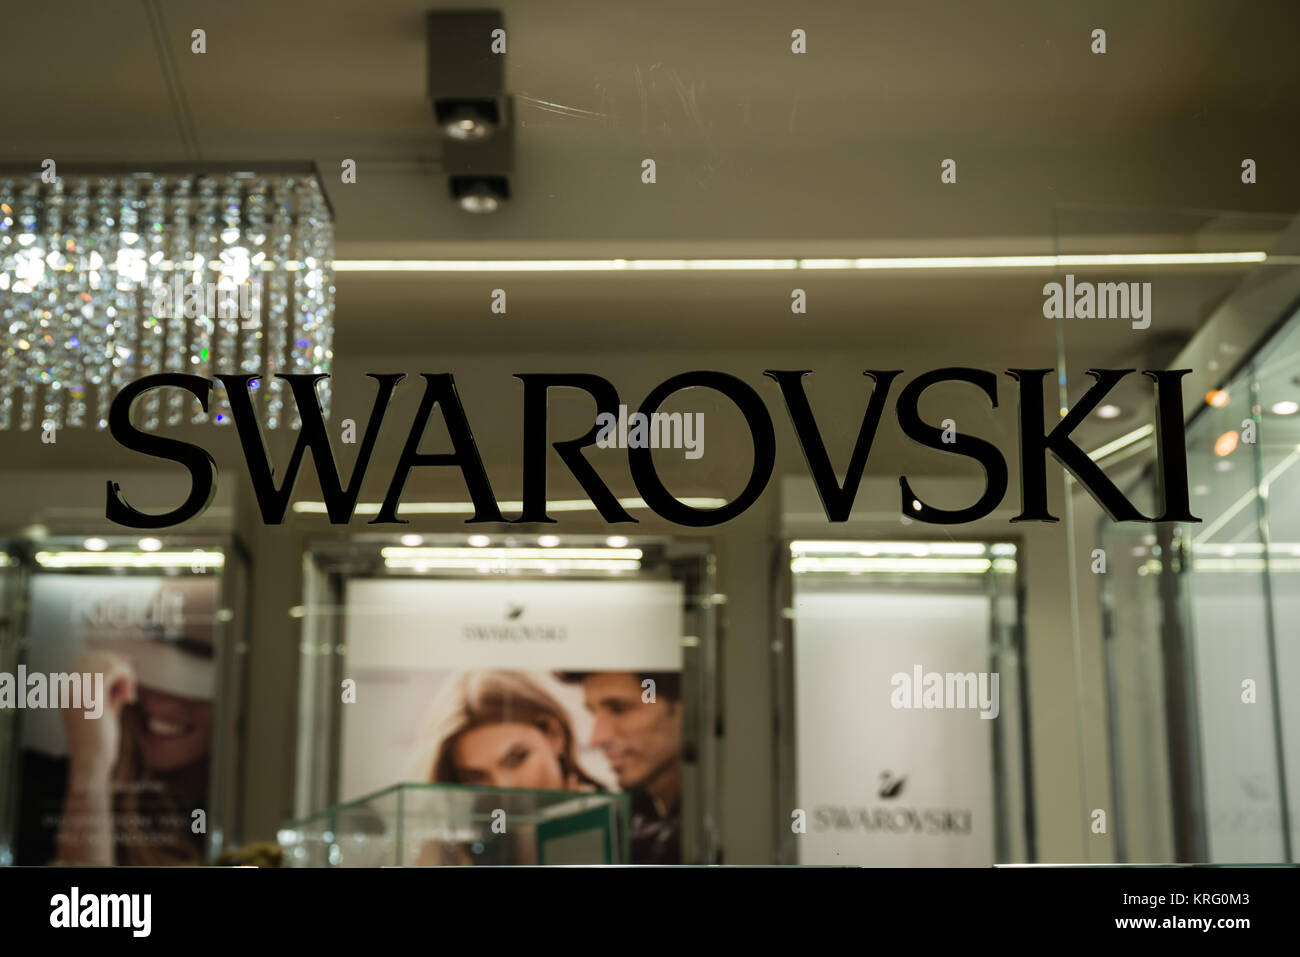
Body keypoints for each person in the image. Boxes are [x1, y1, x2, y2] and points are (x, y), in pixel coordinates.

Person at [50, 577, 216, 866]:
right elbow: (83, 909)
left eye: (190, 690)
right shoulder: (38, 786)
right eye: (152, 679)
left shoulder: (243, 813)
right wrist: (91, 767)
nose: (159, 704)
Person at [558, 671, 683, 865]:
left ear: (683, 710)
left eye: (619, 709)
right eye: (593, 713)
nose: (597, 738)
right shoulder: (635, 820)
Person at [410, 670, 602, 791]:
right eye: (477, 778)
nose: (504, 789)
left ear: (554, 734)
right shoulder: (472, 847)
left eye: (516, 759)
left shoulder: (620, 826)